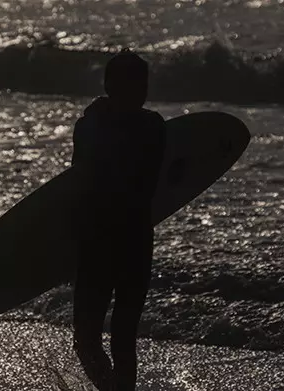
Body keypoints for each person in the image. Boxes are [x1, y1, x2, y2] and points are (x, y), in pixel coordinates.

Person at [70, 49, 166, 391]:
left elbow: (81, 180)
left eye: (143, 83)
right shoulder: (151, 125)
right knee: (103, 339)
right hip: (121, 239)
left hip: (114, 239)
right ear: (111, 85)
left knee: (109, 337)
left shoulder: (96, 125)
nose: (141, 90)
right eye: (134, 83)